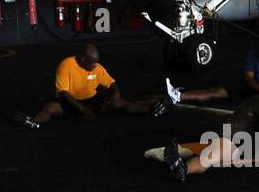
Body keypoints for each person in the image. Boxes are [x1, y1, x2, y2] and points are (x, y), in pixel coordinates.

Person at [15, 44, 157, 129]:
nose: (94, 67)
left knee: (121, 103)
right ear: (83, 59)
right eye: (92, 64)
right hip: (69, 101)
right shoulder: (66, 65)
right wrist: (83, 109)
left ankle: (153, 110)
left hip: (92, 100)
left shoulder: (96, 67)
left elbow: (111, 82)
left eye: (96, 63)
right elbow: (63, 92)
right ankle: (33, 122)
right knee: (49, 108)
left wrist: (116, 93)